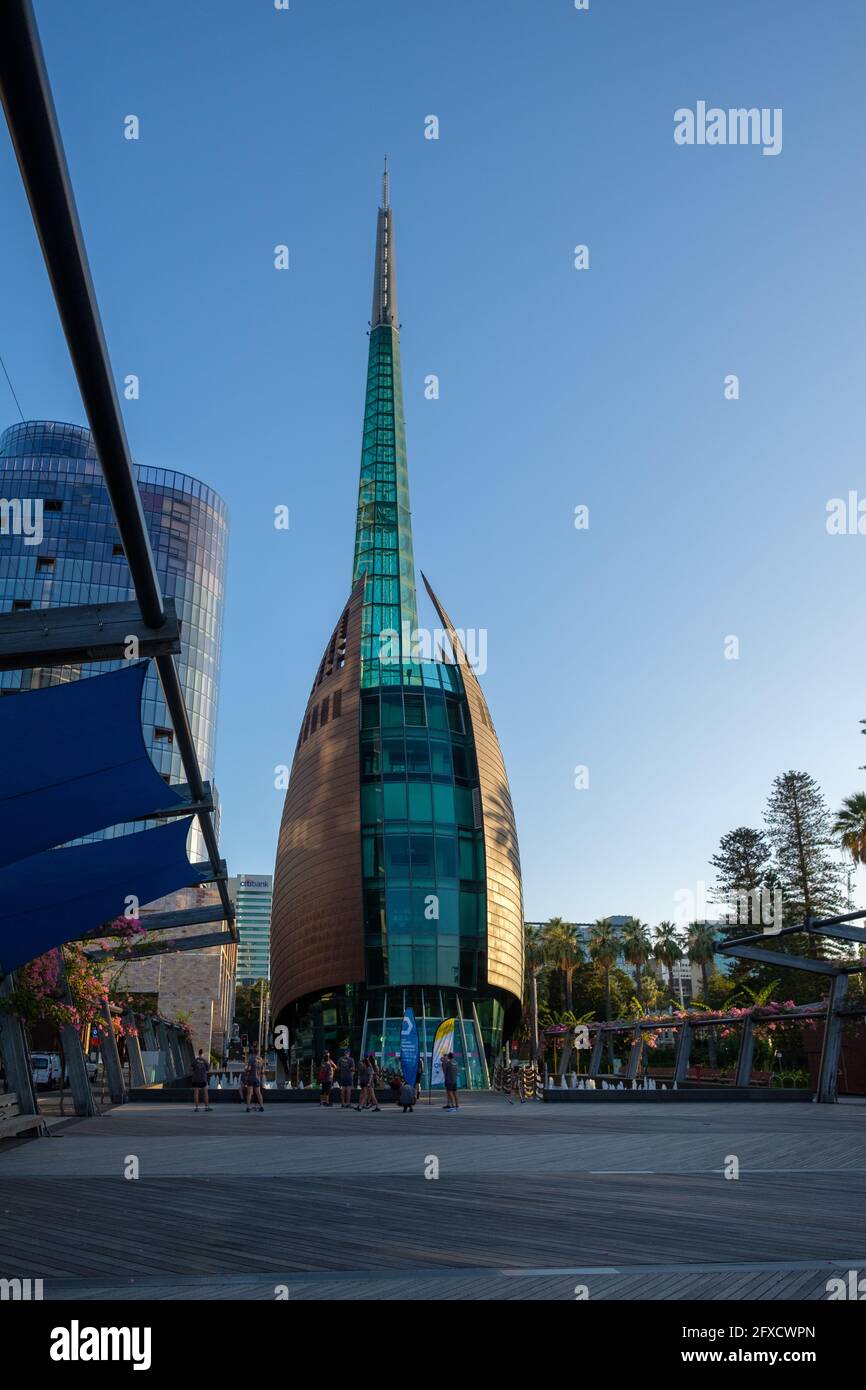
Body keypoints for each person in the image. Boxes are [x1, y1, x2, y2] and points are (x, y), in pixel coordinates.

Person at [246, 1042, 265, 1112]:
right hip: (257, 1079)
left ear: (253, 1052)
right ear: (258, 1052)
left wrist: (246, 1070)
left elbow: (249, 1069)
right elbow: (263, 1070)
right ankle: (261, 1106)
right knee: (258, 1093)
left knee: (249, 1093)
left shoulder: (251, 1058)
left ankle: (248, 1107)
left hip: (251, 1078)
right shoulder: (261, 1060)